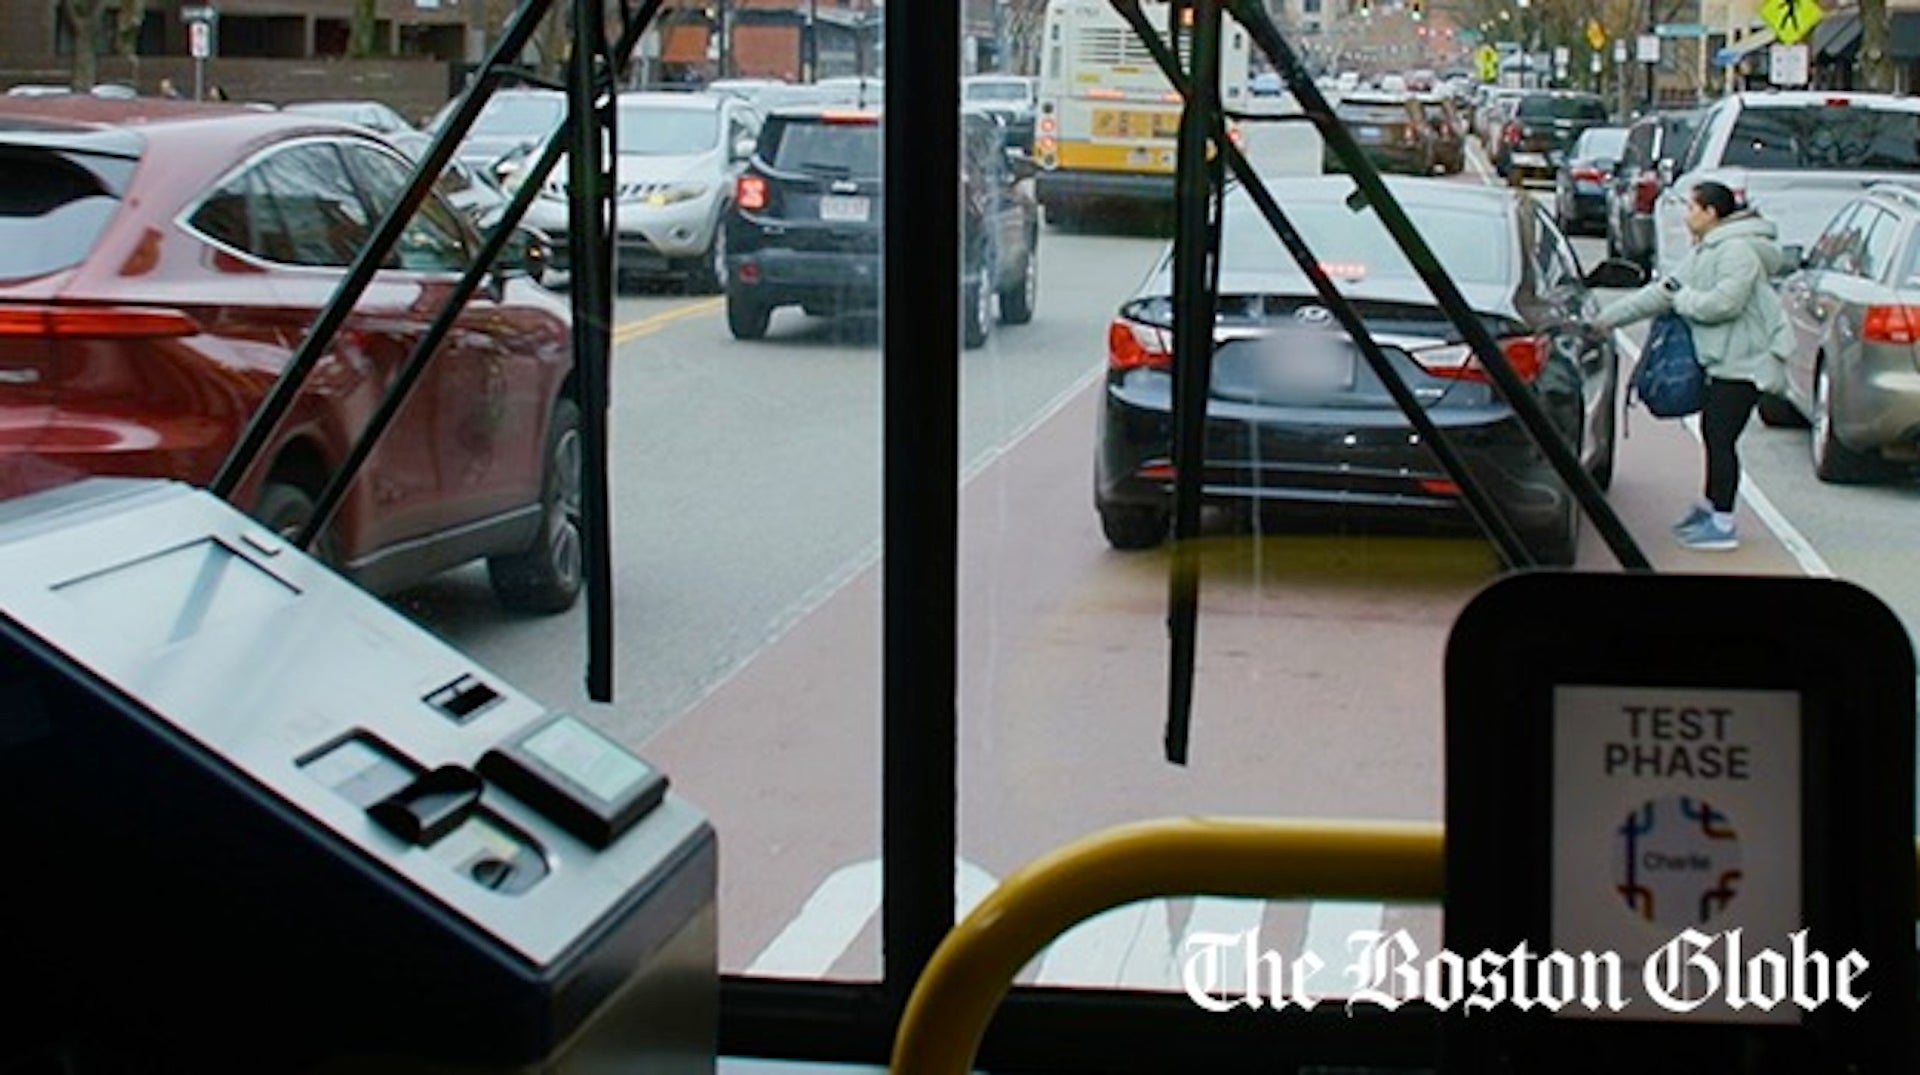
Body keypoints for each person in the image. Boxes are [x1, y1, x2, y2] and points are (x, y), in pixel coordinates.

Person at [1590, 180, 1794, 552]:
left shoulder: (1736, 252)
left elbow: (1722, 303)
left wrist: (1681, 299)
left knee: (1720, 437)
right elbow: (1661, 291)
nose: (1686, 215)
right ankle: (1711, 507)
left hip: (1743, 363)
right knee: (1714, 433)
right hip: (1724, 361)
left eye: (1691, 208)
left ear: (1711, 213)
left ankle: (1723, 522)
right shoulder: (1709, 250)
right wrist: (1606, 319)